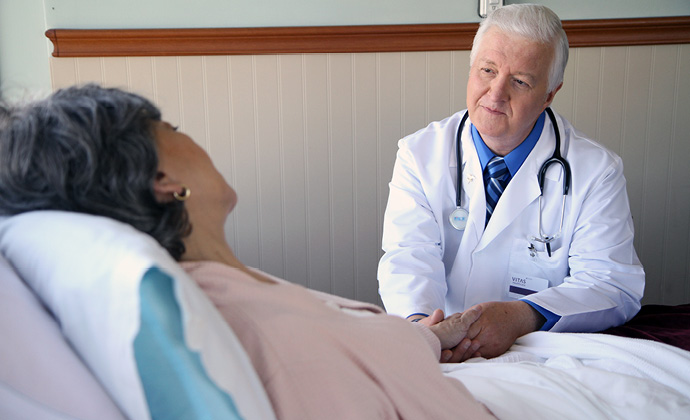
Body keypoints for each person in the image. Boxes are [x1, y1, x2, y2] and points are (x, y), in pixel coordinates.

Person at [0, 84, 496, 419]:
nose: (188, 136)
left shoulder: (227, 284)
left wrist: (430, 338)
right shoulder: (268, 339)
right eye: (170, 130)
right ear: (164, 181)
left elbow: (356, 343)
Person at [377, 3, 645, 361]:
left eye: (520, 81)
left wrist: (522, 316)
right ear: (471, 69)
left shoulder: (596, 170)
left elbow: (612, 284)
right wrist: (426, 330)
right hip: (442, 345)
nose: (496, 93)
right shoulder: (419, 154)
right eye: (487, 70)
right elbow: (408, 257)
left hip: (542, 350)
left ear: (549, 94)